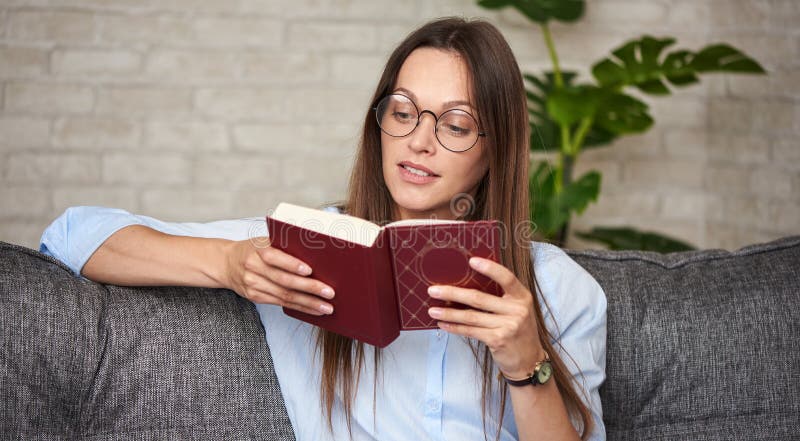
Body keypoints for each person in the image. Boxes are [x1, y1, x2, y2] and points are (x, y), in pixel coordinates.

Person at [40, 17, 606, 441]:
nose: (418, 141)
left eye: (456, 125)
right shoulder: (314, 247)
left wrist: (526, 365)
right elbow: (76, 235)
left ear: (495, 149)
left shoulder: (560, 289)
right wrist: (230, 264)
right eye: (403, 112)